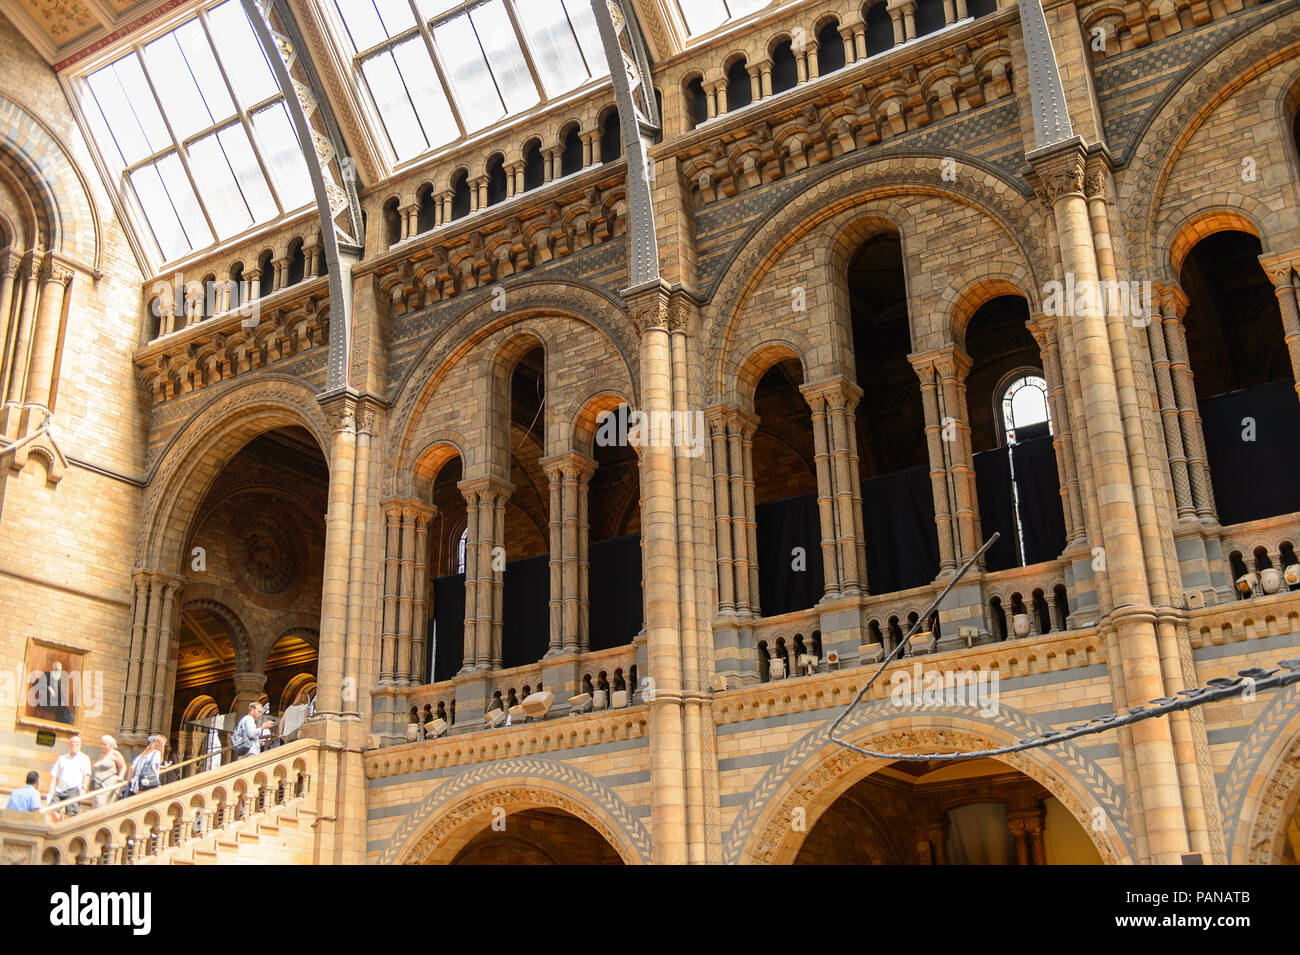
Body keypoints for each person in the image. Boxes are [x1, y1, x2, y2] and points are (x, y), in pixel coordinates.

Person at [47, 734, 92, 817]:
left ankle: (64, 828)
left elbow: (87, 774)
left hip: (74, 790)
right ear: (69, 744)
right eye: (73, 743)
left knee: (70, 814)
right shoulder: (62, 758)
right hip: (60, 790)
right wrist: (51, 789)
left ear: (80, 745)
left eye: (77, 744)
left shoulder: (84, 758)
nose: (75, 745)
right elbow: (55, 775)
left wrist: (84, 788)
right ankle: (60, 827)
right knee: (52, 810)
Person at [90, 735, 127, 807]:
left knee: (102, 804)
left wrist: (121, 776)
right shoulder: (101, 755)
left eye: (105, 744)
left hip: (108, 784)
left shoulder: (114, 753)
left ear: (111, 745)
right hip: (97, 785)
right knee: (96, 804)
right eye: (102, 744)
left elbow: (123, 766)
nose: (103, 746)